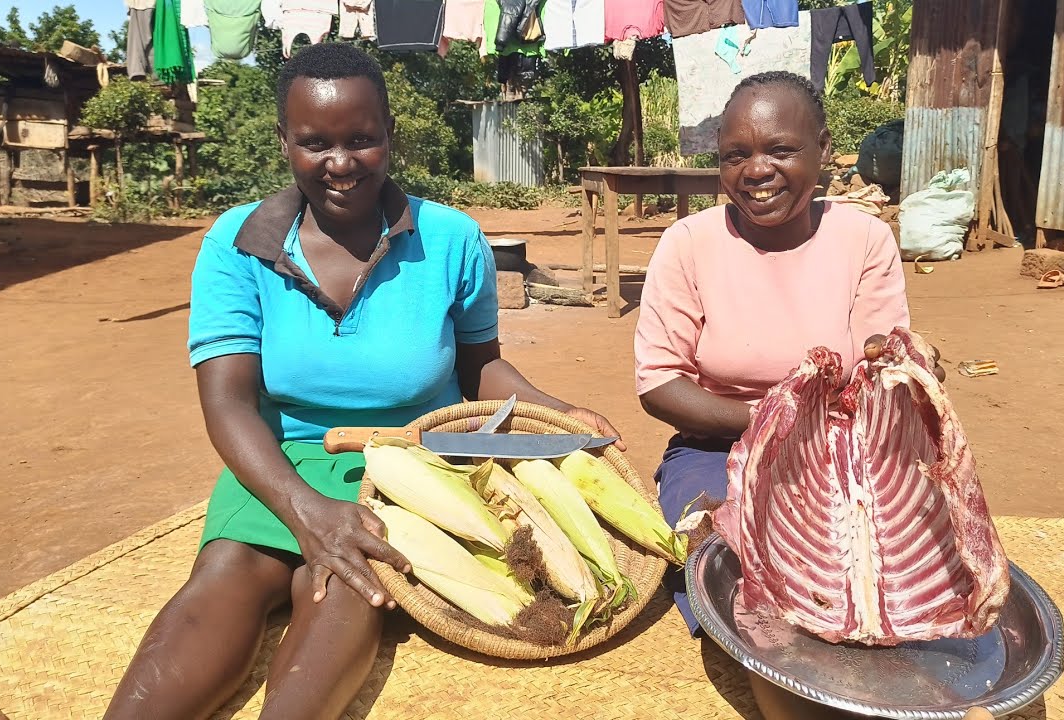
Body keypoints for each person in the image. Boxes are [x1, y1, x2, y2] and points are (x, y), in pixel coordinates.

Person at [89, 43, 621, 720]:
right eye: (315, 143)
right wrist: (304, 508)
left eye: (361, 140)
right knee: (227, 575)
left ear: (389, 135)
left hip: (411, 464)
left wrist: (558, 410)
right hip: (277, 462)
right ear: (284, 141)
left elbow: (480, 366)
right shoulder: (237, 243)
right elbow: (226, 400)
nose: (340, 163)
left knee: (348, 586)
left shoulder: (451, 239)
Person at [633, 71, 944, 719]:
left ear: (823, 149)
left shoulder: (863, 241)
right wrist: (773, 418)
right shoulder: (689, 245)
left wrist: (905, 368)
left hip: (842, 454)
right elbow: (659, 384)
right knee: (753, 580)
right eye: (735, 155)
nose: (756, 171)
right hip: (715, 452)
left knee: (888, 575)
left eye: (780, 149)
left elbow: (879, 359)